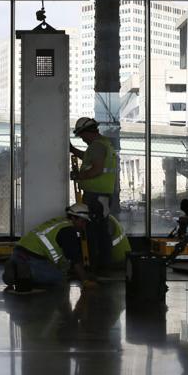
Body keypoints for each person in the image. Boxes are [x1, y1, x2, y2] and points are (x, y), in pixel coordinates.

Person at [4, 203, 96, 295]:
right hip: (32, 258)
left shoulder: (59, 222)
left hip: (18, 252)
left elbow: (63, 258)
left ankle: (13, 272)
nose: (84, 226)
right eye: (82, 221)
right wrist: (85, 280)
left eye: (85, 222)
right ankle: (28, 272)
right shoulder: (68, 231)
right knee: (59, 278)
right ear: (73, 218)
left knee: (57, 273)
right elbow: (75, 259)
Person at [68, 116, 117, 271]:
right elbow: (90, 159)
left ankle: (98, 265)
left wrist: (78, 176)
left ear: (87, 132)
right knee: (100, 229)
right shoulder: (103, 144)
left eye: (81, 135)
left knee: (95, 230)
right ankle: (103, 265)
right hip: (100, 195)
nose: (81, 139)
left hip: (96, 195)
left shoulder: (97, 146)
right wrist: (73, 150)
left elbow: (96, 169)